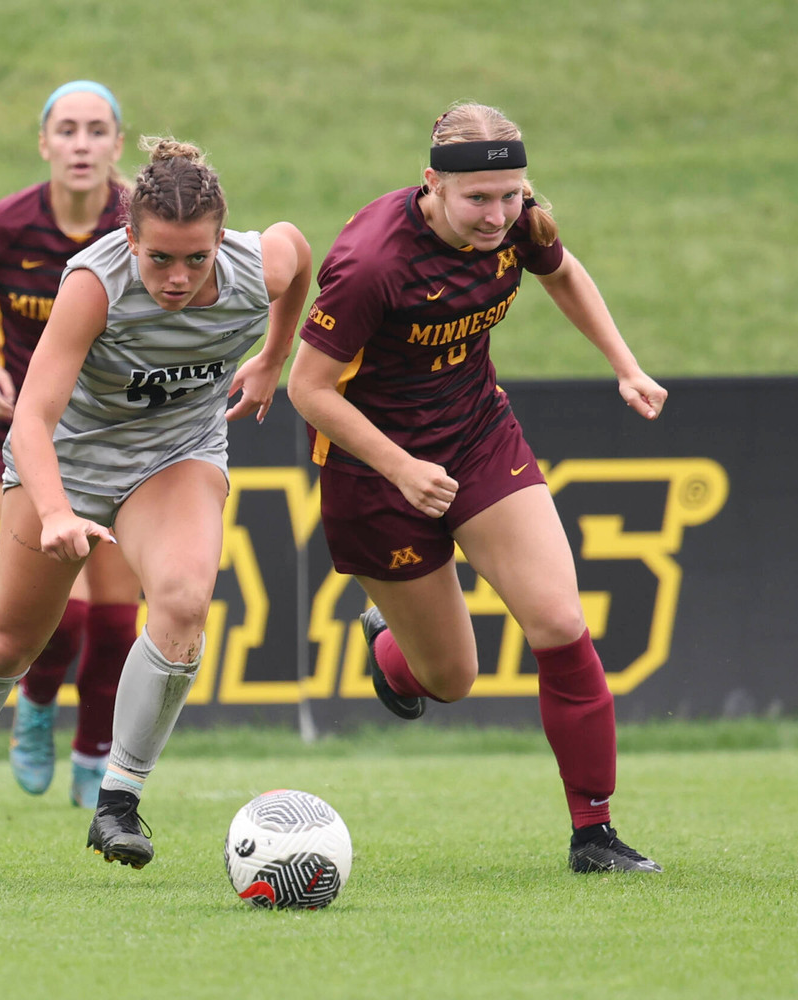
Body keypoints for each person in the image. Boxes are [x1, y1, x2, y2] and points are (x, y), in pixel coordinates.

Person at [0, 137, 313, 882]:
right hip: (66, 460)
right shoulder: (93, 283)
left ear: (220, 241)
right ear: (129, 237)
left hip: (175, 455)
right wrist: (54, 513)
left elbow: (297, 257)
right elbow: (31, 420)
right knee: (7, 643)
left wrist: (273, 358)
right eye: (159, 258)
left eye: (196, 258)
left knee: (184, 602)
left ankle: (119, 800)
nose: (178, 278)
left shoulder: (254, 265)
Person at [286, 101, 668, 874]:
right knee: (451, 678)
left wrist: (625, 365)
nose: (497, 215)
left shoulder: (519, 224)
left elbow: (564, 273)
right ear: (432, 184)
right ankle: (389, 647)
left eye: (511, 195)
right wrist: (400, 467)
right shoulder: (372, 263)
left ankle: (594, 835)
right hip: (376, 475)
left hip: (477, 436)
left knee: (560, 622)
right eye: (478, 199)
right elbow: (308, 388)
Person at [0, 80, 141, 809]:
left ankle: (96, 750)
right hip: (25, 435)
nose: (81, 144)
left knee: (115, 620)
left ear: (117, 144)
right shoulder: (1, 225)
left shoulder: (141, 223)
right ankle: (37, 704)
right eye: (67, 130)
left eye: (97, 130)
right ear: (43, 142)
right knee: (62, 614)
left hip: (118, 436)